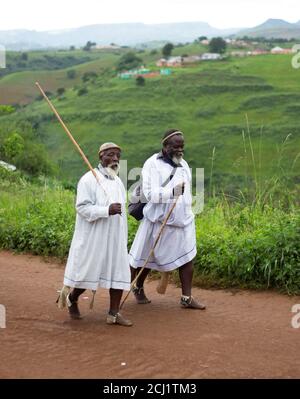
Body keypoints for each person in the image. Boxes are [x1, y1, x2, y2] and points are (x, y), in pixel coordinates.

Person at [129, 129, 206, 310]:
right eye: (175, 146)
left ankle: (186, 298)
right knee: (144, 259)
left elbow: (186, 192)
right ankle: (136, 287)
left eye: (182, 146)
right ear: (165, 147)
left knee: (187, 259)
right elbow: (149, 193)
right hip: (157, 221)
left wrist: (187, 211)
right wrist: (172, 192)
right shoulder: (152, 164)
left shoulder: (184, 165)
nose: (180, 150)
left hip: (182, 222)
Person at [60, 142, 133, 326]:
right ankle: (72, 297)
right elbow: (82, 208)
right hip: (94, 238)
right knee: (87, 275)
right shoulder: (88, 179)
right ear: (101, 157)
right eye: (110, 155)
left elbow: (122, 213)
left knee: (118, 272)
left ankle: (113, 314)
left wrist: (123, 234)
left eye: (117, 155)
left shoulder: (118, 181)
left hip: (115, 237)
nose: (115, 159)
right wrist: (105, 210)